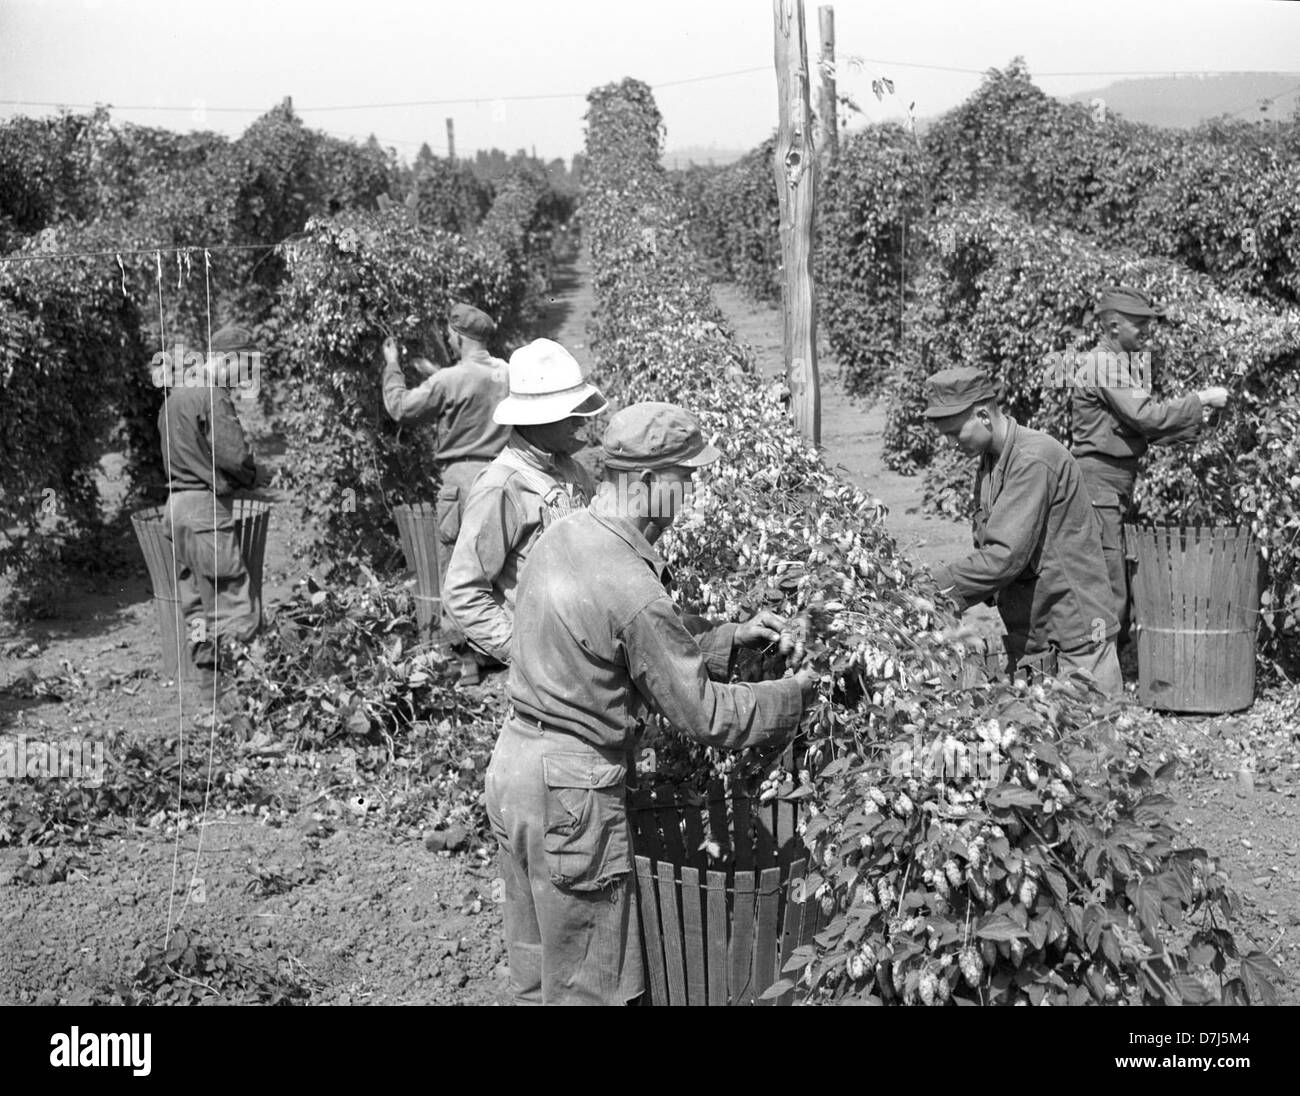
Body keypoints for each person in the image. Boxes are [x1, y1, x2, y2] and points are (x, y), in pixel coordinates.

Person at [485, 402, 820, 1006]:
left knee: (538, 977)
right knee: (594, 988)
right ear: (646, 484)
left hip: (515, 773)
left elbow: (616, 646)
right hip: (573, 797)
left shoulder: (563, 535)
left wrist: (727, 637)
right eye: (684, 478)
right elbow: (705, 715)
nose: (689, 493)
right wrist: (791, 697)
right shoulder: (630, 583)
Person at [923, 367, 1122, 699]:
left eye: (955, 432)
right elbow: (989, 545)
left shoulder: (1032, 459)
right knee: (1051, 740)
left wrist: (931, 590)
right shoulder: (992, 460)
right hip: (1038, 630)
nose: (950, 443)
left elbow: (1003, 557)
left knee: (1093, 742)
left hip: (1077, 631)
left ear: (983, 415)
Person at [441, 338, 607, 684]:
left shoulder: (573, 472)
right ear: (538, 418)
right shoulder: (503, 487)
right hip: (547, 677)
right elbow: (463, 591)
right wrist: (519, 652)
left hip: (588, 659)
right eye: (569, 414)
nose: (579, 423)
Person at [1070, 285, 1230, 643]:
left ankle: (1104, 667)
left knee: (1113, 575)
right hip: (1100, 486)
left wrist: (1197, 425)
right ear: (1113, 328)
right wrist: (1201, 398)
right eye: (1139, 325)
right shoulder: (1102, 364)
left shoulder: (1116, 364)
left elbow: (1142, 432)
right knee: (1108, 582)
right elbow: (1147, 418)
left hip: (1112, 485)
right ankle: (1098, 675)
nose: (1146, 333)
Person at [157, 322, 271, 725]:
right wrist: (256, 476)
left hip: (175, 510)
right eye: (242, 366)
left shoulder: (173, 400)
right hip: (205, 511)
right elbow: (233, 456)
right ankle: (243, 707)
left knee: (198, 610)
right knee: (234, 601)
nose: (243, 377)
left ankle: (209, 703)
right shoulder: (212, 396)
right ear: (225, 360)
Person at [380, 302, 510, 634]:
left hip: (461, 482)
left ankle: (462, 652)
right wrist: (437, 373)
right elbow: (473, 388)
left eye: (450, 335)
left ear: (458, 336)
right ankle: (499, 642)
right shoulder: (506, 372)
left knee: (455, 566)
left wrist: (392, 366)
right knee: (499, 559)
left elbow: (401, 408)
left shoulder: (448, 379)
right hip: (503, 478)